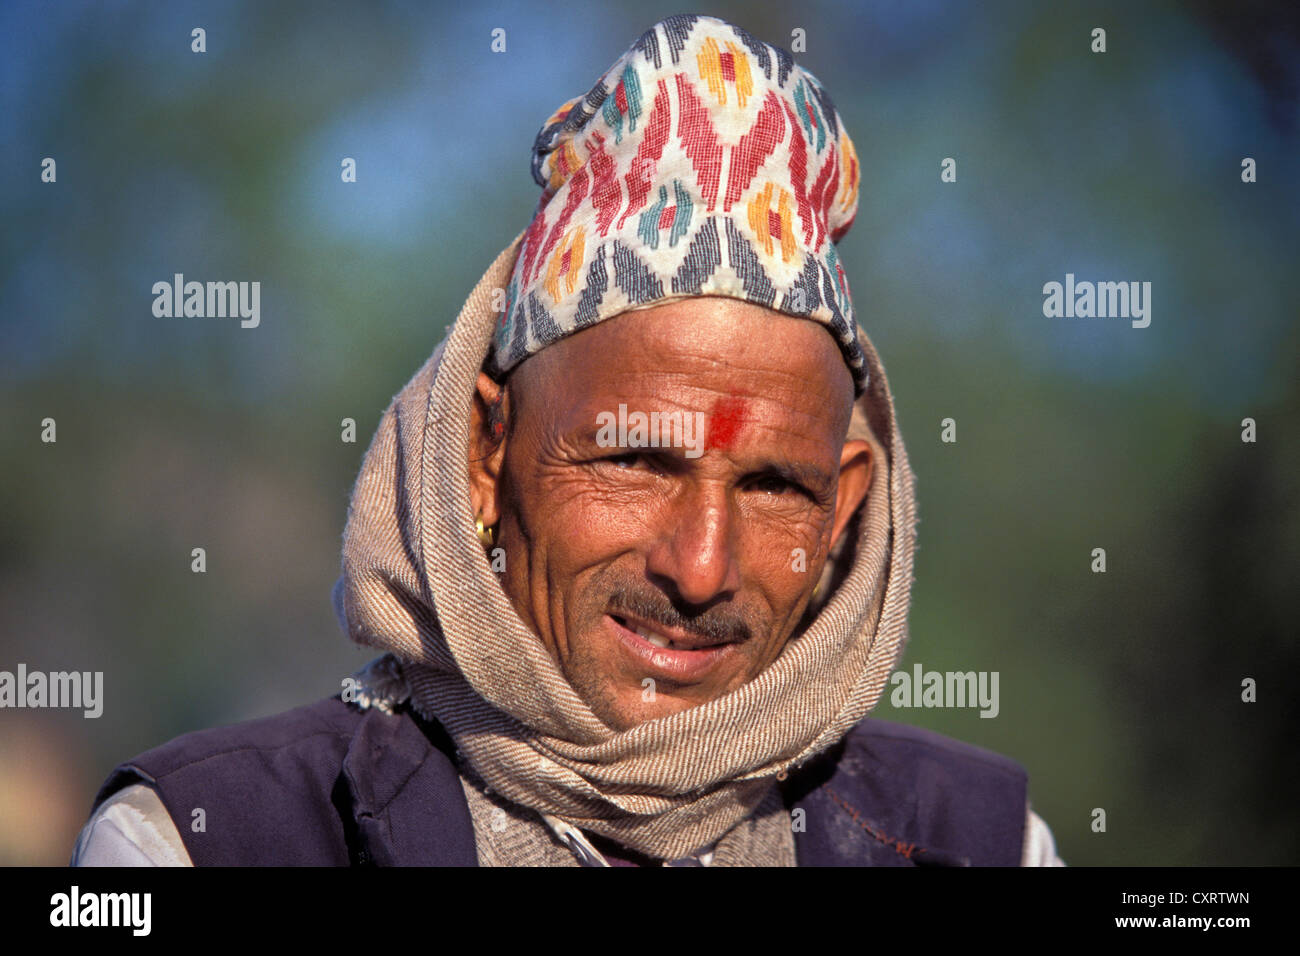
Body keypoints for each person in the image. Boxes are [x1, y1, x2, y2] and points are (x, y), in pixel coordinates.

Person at [73, 13, 1062, 867]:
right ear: (484, 455)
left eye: (771, 485)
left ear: (842, 510)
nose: (701, 568)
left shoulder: (978, 840)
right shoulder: (203, 840)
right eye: (635, 458)